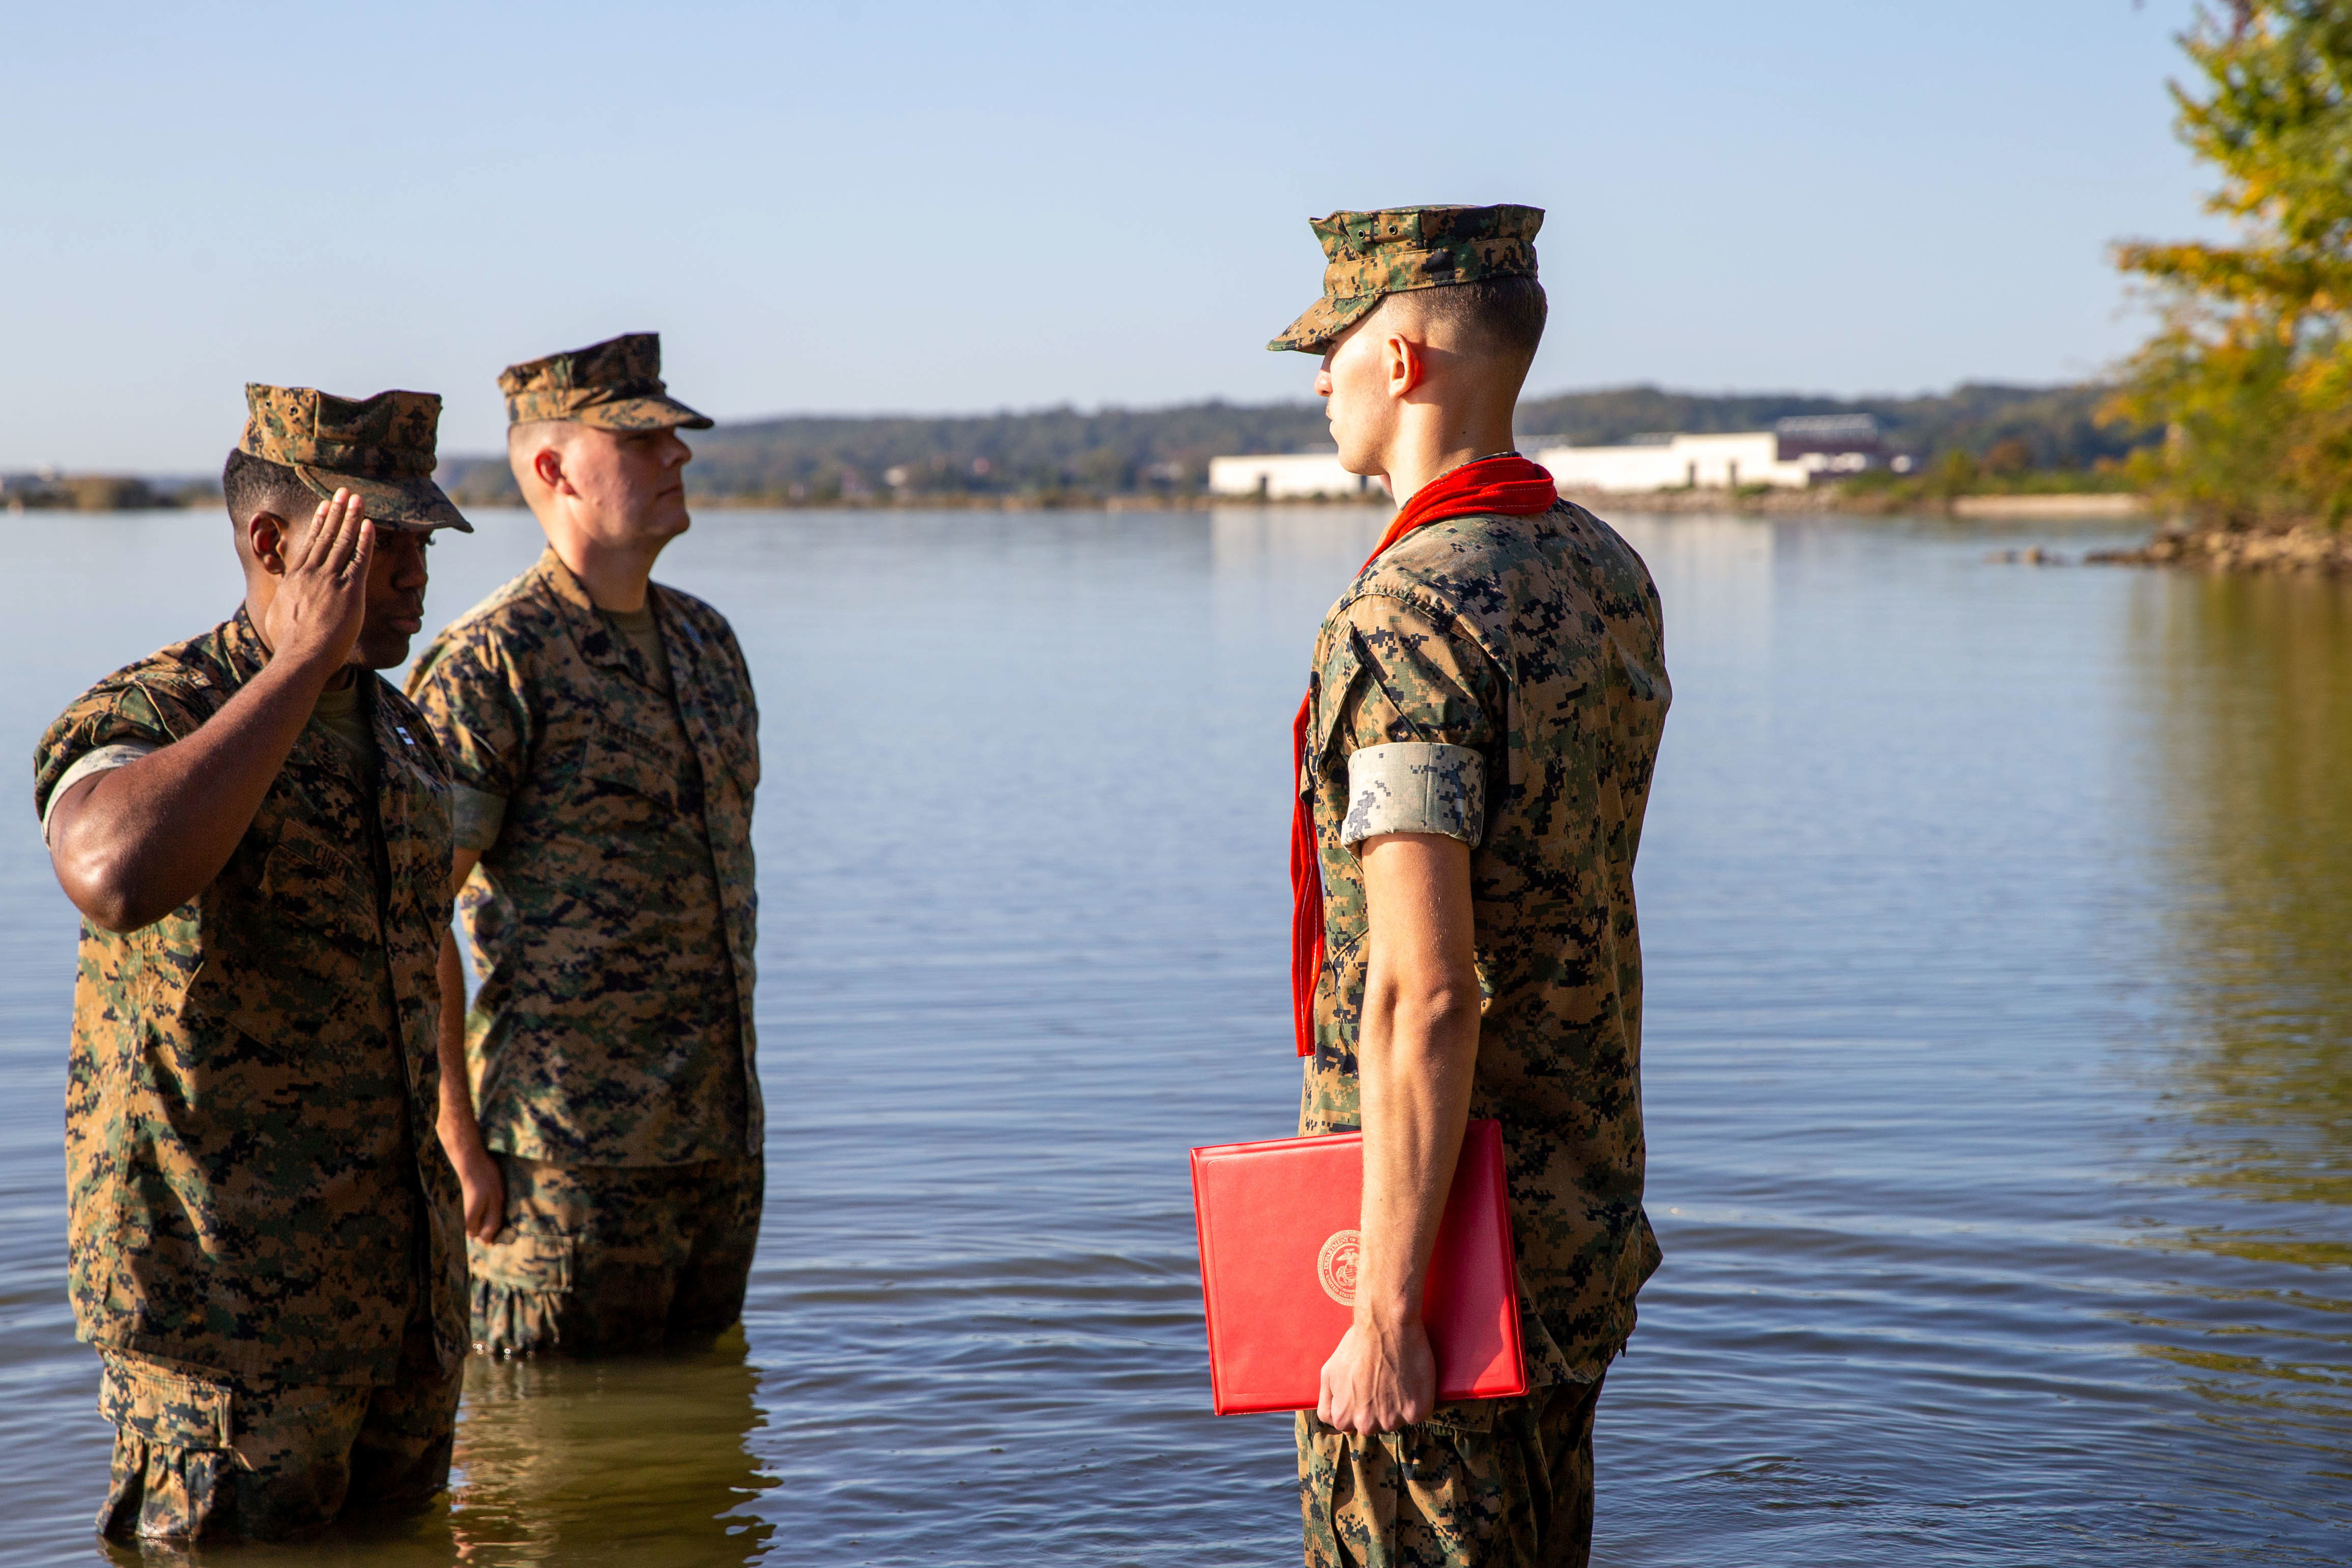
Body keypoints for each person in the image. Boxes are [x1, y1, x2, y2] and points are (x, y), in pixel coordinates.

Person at [1271, 206, 1673, 1567]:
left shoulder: (1406, 615)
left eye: (1330, 347)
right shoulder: (1601, 574)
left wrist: (1382, 1308)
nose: (1317, 379)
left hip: (1438, 1253)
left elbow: (1424, 987)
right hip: (1573, 1222)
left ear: (1398, 360)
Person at [34, 385, 475, 1543]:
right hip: (223, 1338)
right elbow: (111, 869)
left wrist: (462, 1142)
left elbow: (426, 941)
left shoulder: (403, 733)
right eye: (379, 543)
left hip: (401, 1315)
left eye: (424, 540)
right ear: (275, 542)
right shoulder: (160, 705)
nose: (416, 572)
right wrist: (298, 665)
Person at [407, 332, 763, 1358]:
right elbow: (412, 910)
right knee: (547, 1473)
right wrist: (458, 1140)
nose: (677, 456)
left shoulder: (707, 643)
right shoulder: (492, 664)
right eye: (642, 439)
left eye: (675, 436)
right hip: (558, 1161)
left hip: (719, 1143)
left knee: (704, 1461)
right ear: (555, 469)